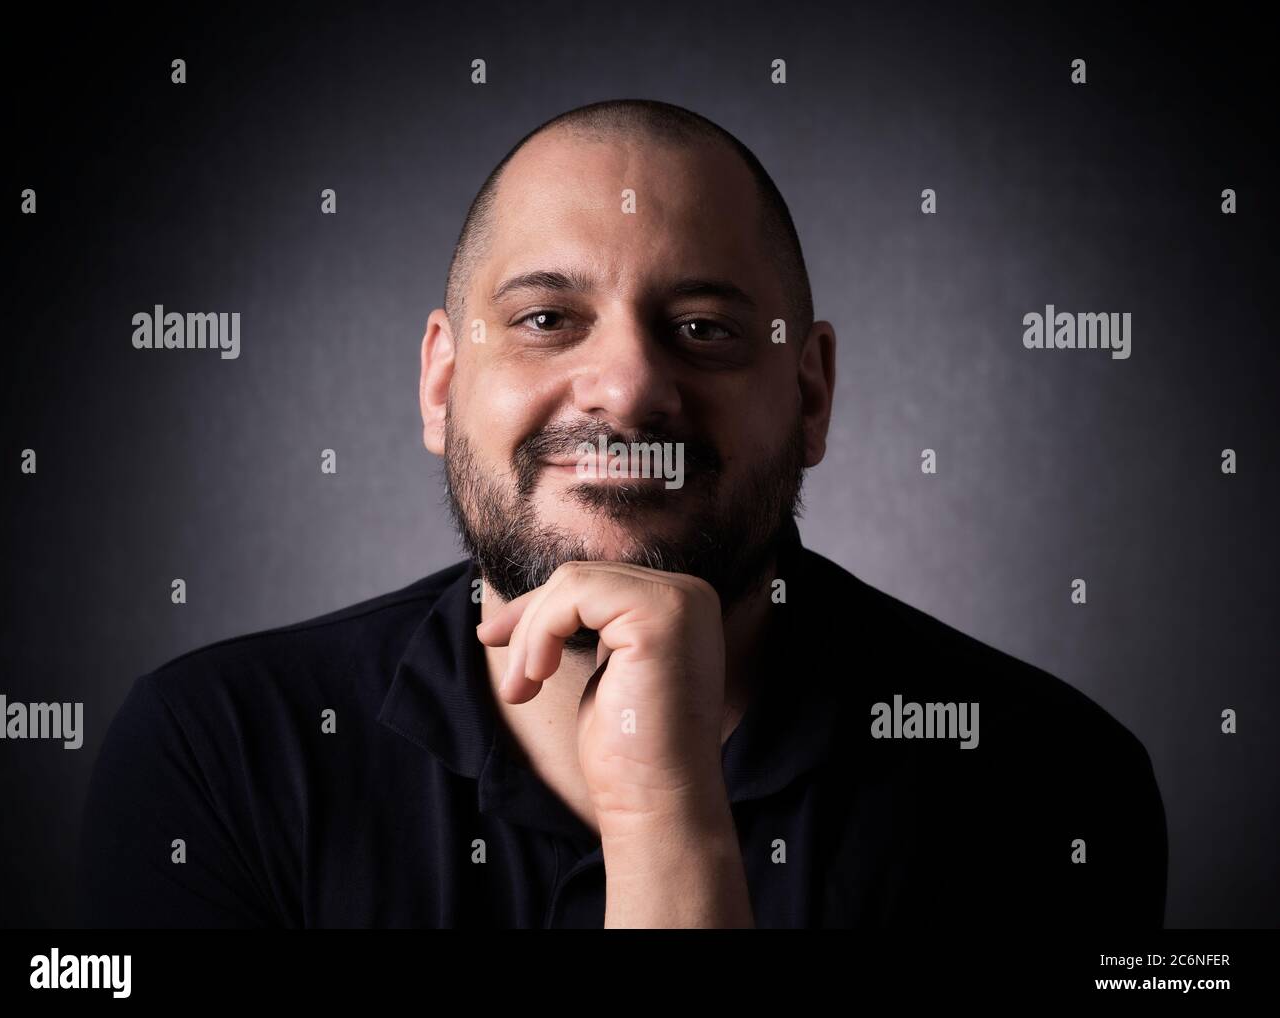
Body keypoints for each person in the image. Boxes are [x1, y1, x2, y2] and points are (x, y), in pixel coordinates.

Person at [78, 98, 1167, 928]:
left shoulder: (1048, 783)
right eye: (548, 317)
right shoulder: (214, 752)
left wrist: (664, 813)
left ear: (811, 392)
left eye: (701, 328)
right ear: (439, 383)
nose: (628, 386)